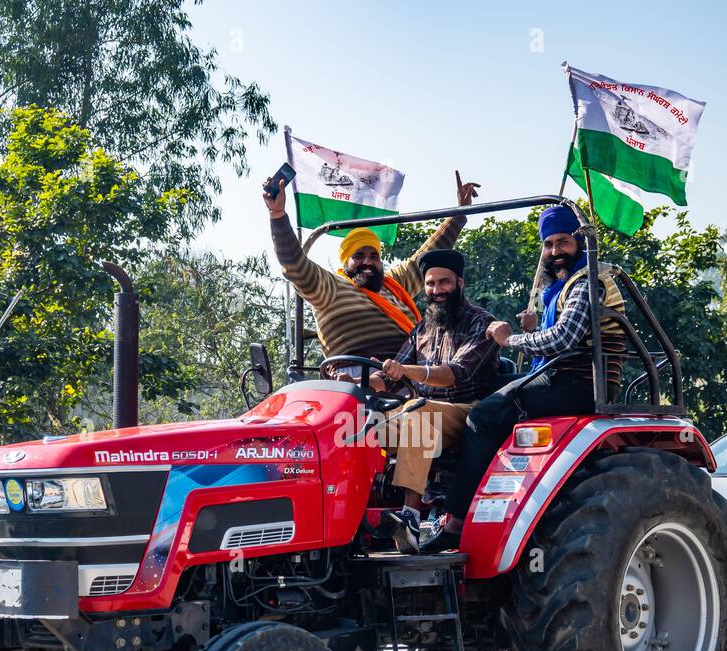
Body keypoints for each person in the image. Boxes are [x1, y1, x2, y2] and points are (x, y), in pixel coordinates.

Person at [421, 205, 627, 553]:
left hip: (580, 383)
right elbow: (556, 340)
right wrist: (532, 330)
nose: (555, 251)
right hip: (560, 373)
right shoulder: (562, 287)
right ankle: (445, 486)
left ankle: (455, 521)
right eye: (548, 244)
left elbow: (563, 339)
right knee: (489, 383)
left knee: (484, 416)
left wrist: (511, 339)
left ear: (581, 242)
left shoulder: (589, 282)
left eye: (562, 242)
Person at [264, 171, 480, 363]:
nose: (367, 262)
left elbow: (423, 259)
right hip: (361, 379)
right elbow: (295, 266)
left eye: (373, 255)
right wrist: (278, 216)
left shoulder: (393, 284)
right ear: (345, 262)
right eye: (358, 255)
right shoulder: (330, 287)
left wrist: (458, 215)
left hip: (415, 371)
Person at [367, 249, 500, 552]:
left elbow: (455, 373)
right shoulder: (421, 330)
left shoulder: (481, 324)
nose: (436, 291)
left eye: (444, 283)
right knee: (361, 423)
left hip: (470, 412)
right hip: (421, 412)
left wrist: (407, 371)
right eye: (430, 284)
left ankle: (410, 517)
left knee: (418, 412)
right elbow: (387, 379)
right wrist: (361, 382)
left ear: (460, 283)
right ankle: (351, 515)